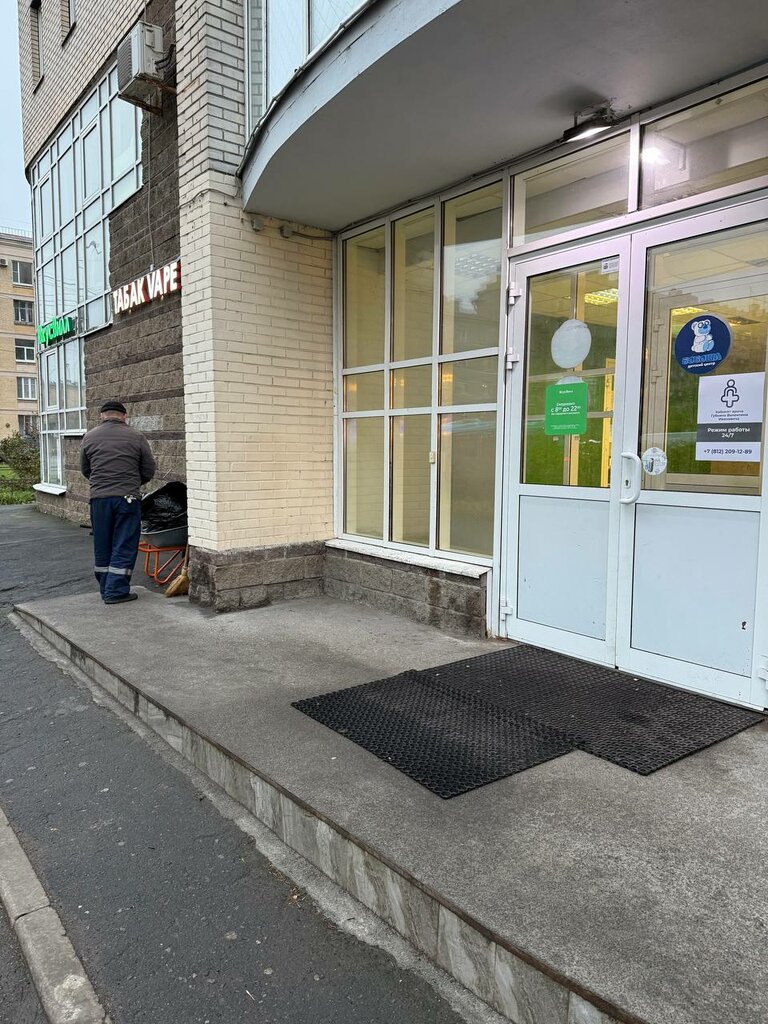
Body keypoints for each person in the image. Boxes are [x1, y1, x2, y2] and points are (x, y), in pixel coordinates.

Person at [80, 401, 156, 604]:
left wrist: (102, 484)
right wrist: (132, 482)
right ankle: (115, 591)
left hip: (99, 500)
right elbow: (148, 469)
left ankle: (106, 588)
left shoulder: (90, 436)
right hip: (127, 499)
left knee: (102, 543)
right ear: (124, 416)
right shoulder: (136, 436)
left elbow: (86, 469)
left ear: (102, 415)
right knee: (124, 543)